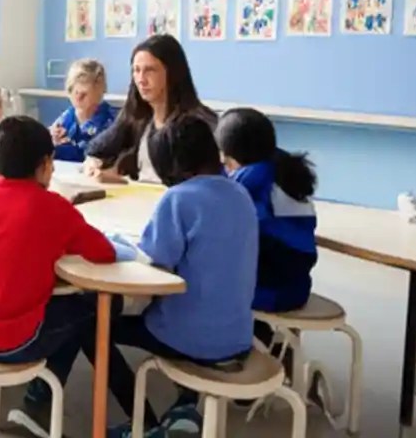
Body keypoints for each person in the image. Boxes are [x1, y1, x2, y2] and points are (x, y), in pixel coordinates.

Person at [0, 116, 118, 435]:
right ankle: (37, 403)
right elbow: (105, 252)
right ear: (46, 164)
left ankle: (39, 402)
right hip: (7, 341)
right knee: (88, 310)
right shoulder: (53, 207)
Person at [101, 115, 259, 437]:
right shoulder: (240, 193)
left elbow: (152, 269)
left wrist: (118, 248)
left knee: (93, 325)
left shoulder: (179, 199)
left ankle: (144, 424)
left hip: (187, 339)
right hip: (238, 336)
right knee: (197, 301)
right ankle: (184, 408)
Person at [216, 108, 318, 340]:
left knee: (202, 279)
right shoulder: (283, 168)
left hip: (269, 291)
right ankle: (261, 338)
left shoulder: (250, 182)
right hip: (298, 286)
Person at [83, 35, 215, 184]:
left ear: (172, 72)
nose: (141, 79)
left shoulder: (197, 125)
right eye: (136, 70)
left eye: (150, 70)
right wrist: (93, 164)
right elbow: (96, 149)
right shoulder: (136, 117)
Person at [51, 58, 116, 163]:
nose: (78, 98)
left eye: (84, 94)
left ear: (99, 91)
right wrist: (51, 140)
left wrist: (61, 149)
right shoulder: (65, 117)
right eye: (74, 92)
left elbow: (93, 155)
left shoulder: (111, 121)